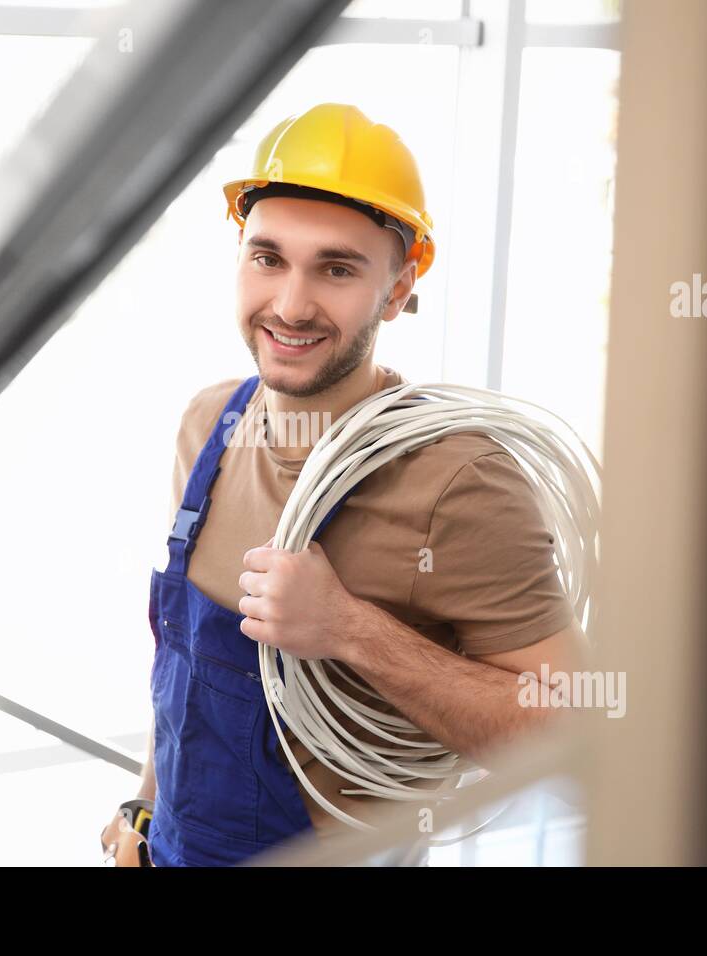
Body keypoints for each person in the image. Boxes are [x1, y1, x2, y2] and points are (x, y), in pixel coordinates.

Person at [100, 103, 586, 867]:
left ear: (398, 289)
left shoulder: (458, 479)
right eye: (268, 257)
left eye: (337, 268)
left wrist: (349, 628)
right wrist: (147, 808)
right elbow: (183, 674)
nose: (291, 306)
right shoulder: (207, 427)